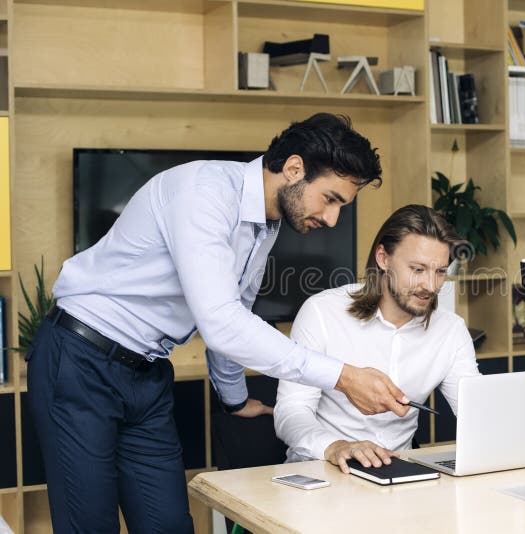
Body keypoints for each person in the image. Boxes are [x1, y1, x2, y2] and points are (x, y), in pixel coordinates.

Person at [25, 113, 414, 533]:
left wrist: (234, 399)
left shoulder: (266, 224)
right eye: (330, 199)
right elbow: (219, 323)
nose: (332, 218)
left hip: (147, 374)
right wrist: (342, 376)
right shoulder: (203, 193)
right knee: (89, 526)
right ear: (295, 168)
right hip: (80, 361)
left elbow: (236, 313)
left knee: (169, 525)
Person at [274, 205, 480, 473]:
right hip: (323, 469)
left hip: (401, 474)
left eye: (440, 271)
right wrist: (335, 446)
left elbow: (479, 412)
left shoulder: (450, 330)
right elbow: (290, 412)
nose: (431, 285)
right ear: (383, 258)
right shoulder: (322, 312)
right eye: (417, 269)